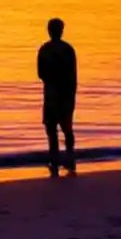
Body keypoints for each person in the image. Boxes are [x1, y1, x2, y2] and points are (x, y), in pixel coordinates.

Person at [37, 17, 77, 175]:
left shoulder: (45, 49)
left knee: (52, 129)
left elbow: (41, 73)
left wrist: (52, 78)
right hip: (65, 94)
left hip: (52, 94)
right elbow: (73, 75)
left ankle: (55, 158)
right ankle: (69, 156)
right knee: (66, 128)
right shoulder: (68, 49)